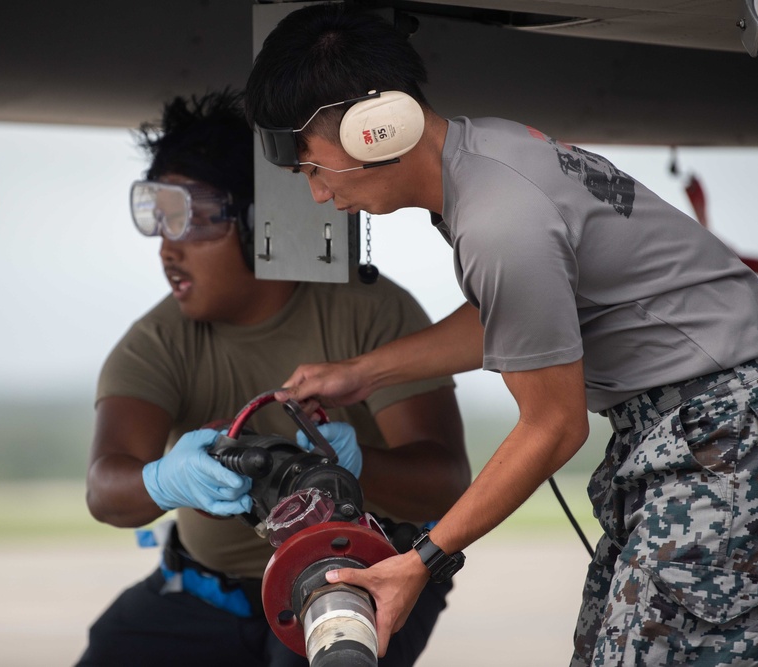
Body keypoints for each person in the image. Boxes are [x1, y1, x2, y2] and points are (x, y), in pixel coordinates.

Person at [243, 5, 758, 667]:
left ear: (375, 129)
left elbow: (553, 426)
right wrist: (362, 372)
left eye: (313, 169)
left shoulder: (499, 219)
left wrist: (422, 557)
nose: (319, 195)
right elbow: (523, 315)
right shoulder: (485, 156)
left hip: (731, 446)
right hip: (698, 431)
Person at [77, 88, 470, 667]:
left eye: (192, 219)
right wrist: (163, 480)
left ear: (263, 221)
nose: (168, 249)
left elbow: (444, 481)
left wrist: (356, 465)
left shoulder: (369, 313)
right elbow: (105, 491)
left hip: (360, 579)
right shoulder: (159, 342)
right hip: (210, 594)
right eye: (159, 220)